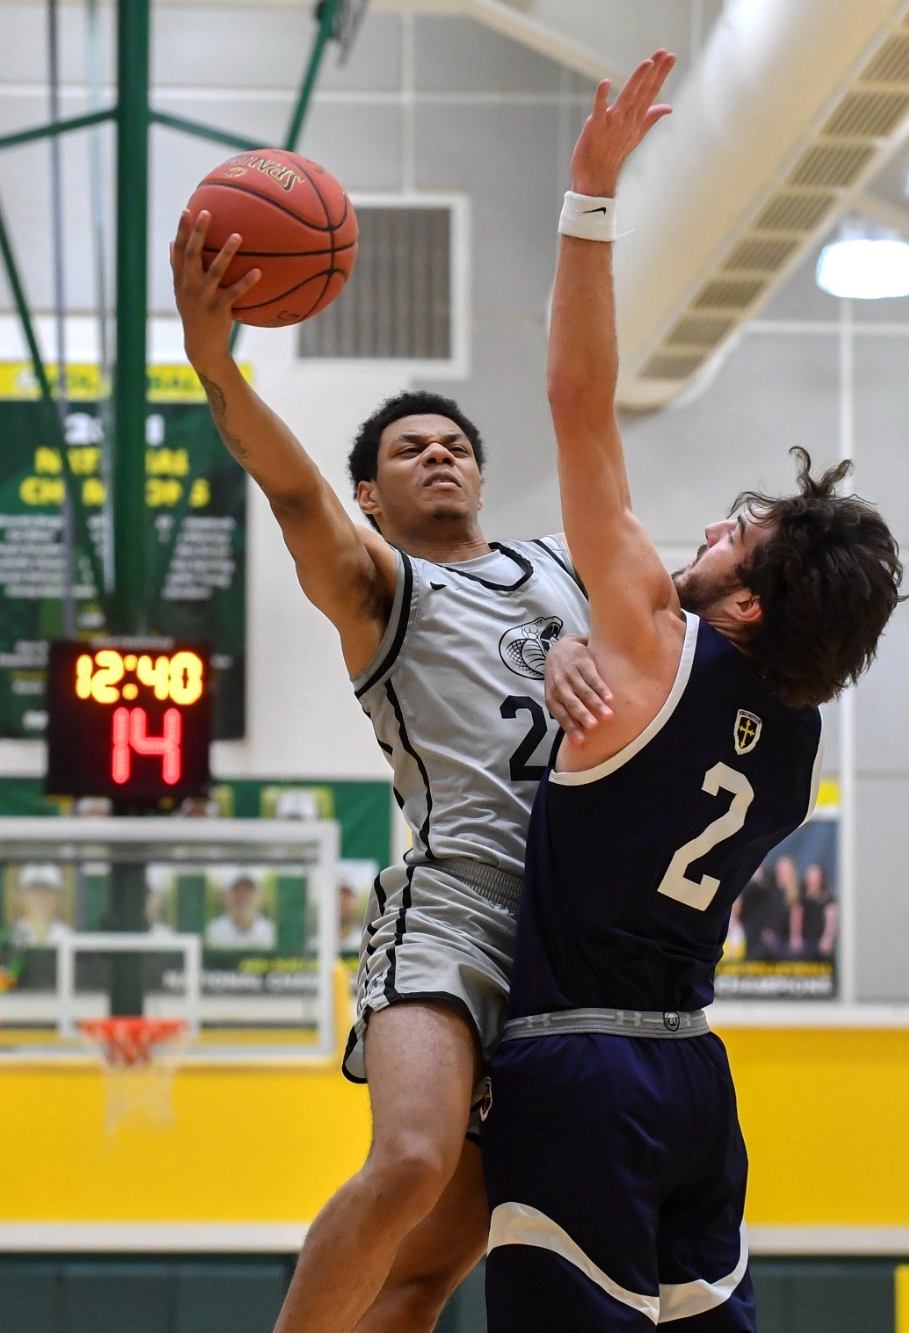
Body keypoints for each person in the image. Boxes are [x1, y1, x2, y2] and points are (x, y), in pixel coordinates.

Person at [481, 52, 903, 1329]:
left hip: (579, 1065)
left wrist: (588, 196)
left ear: (749, 602)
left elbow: (576, 402)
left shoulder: (648, 646)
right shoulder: (794, 733)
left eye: (741, 530)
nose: (719, 521)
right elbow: (691, 647)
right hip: (692, 1077)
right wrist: (618, 624)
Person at [172, 215, 609, 1331]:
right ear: (371, 494)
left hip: (568, 935)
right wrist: (213, 363)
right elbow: (290, 491)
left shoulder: (564, 571)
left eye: (453, 442)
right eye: (408, 449)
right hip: (453, 904)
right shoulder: (381, 586)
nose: (438, 453)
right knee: (411, 1158)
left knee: (435, 1263)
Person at [205, 874, 278, 951]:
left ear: (260, 897)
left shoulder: (271, 931)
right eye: (236, 891)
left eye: (248, 891)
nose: (242, 898)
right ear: (225, 897)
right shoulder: (213, 931)